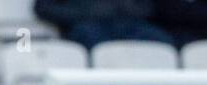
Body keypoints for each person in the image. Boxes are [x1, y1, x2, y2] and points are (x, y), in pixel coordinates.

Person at [34, 0, 175, 48]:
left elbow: (151, 7)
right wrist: (84, 14)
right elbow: (43, 7)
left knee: (162, 42)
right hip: (88, 26)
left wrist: (128, 9)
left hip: (132, 24)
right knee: (87, 36)